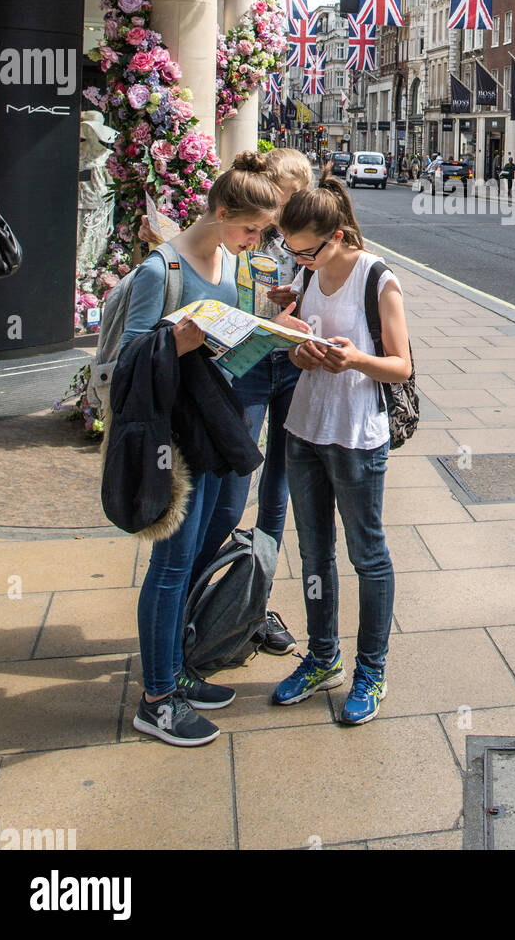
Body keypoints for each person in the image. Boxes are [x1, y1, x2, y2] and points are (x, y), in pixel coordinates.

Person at [125, 153, 281, 747]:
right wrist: (180, 340)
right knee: (168, 569)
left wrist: (268, 325)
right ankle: (157, 698)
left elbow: (228, 342)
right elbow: (129, 362)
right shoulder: (159, 271)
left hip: (213, 427)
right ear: (220, 213)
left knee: (190, 559)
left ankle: (179, 673)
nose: (255, 240)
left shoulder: (227, 261)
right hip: (174, 443)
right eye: (250, 229)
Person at [271, 173, 412, 725]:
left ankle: (370, 671)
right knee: (312, 552)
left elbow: (401, 366)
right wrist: (297, 349)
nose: (299, 260)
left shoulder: (378, 279)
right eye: (293, 251)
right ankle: (323, 656)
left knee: (367, 555)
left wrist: (354, 359)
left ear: (337, 234)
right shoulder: (308, 276)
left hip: (356, 434)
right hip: (304, 427)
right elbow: (299, 345)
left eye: (307, 250)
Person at [188, 148, 314, 655]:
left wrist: (297, 299)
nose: (283, 220)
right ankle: (193, 602)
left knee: (278, 492)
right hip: (245, 367)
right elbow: (220, 300)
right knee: (230, 492)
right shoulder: (241, 231)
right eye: (282, 205)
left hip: (291, 364)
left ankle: (251, 605)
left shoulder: (298, 234)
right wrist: (264, 308)